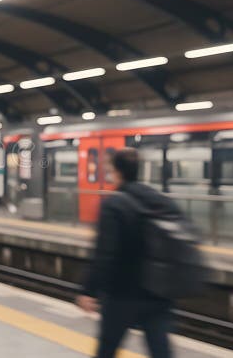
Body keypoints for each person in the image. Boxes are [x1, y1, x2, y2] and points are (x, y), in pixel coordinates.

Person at [76, 148, 174, 358]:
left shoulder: (113, 204)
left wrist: (89, 290)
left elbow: (105, 254)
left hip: (122, 294)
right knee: (161, 350)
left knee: (107, 349)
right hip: (158, 291)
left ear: (117, 172)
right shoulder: (159, 199)